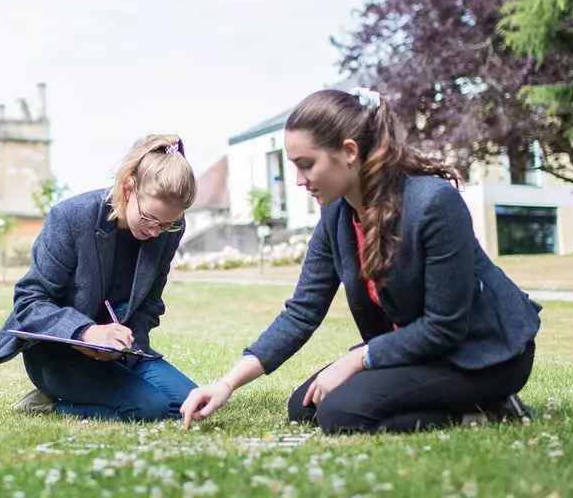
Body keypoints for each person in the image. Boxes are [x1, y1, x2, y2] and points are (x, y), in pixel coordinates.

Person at [180, 87, 541, 435]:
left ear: (349, 151)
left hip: (481, 353)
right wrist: (227, 383)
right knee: (305, 407)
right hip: (419, 351)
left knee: (342, 413)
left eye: (306, 165)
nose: (299, 180)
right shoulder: (336, 215)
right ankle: (467, 406)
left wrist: (356, 360)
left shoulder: (433, 203)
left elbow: (444, 327)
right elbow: (302, 311)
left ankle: (486, 409)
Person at [0, 134, 200, 422]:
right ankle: (49, 404)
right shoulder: (71, 217)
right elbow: (30, 302)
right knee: (149, 409)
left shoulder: (168, 230)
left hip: (119, 355)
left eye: (167, 224)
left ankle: (109, 389)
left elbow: (149, 304)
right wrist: (88, 333)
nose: (155, 232)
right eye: (149, 219)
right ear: (128, 188)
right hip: (57, 353)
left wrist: (126, 343)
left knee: (192, 404)